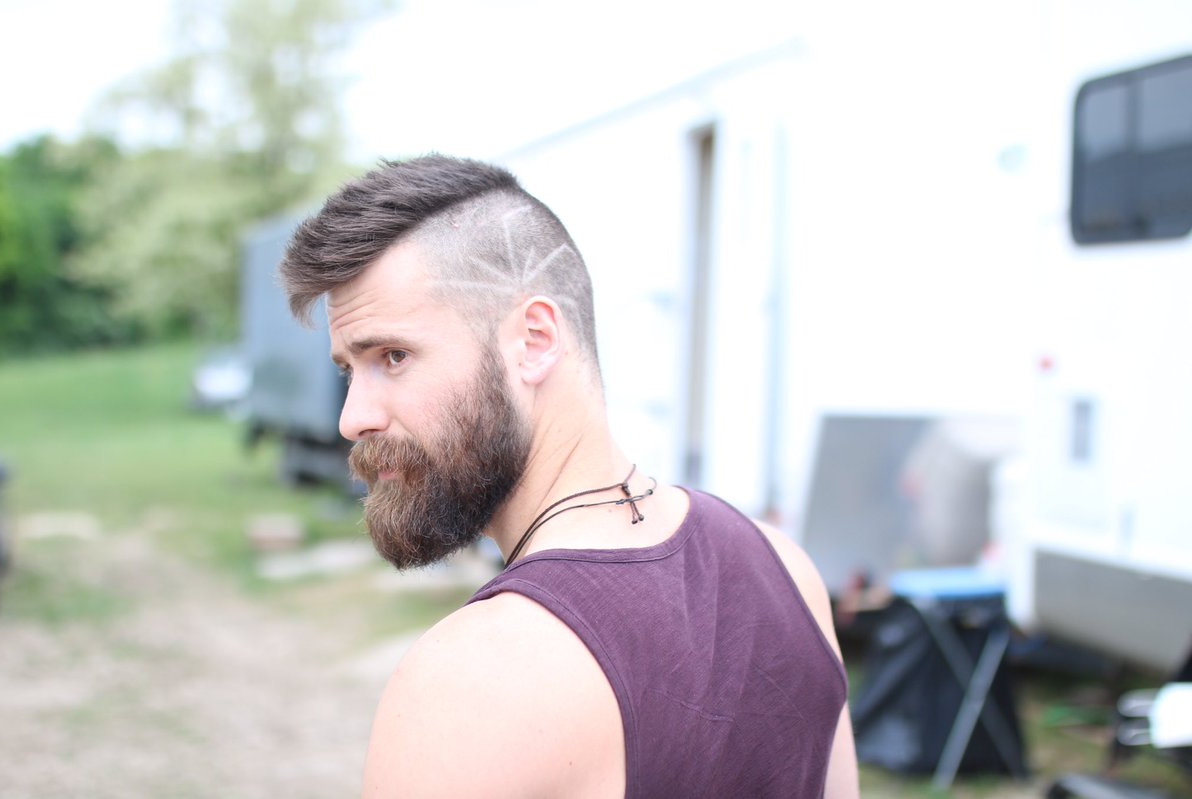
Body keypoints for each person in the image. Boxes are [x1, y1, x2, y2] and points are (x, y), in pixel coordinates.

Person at [279, 154, 859, 798]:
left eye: (393, 356)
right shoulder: (785, 570)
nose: (352, 419)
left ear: (534, 340)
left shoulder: (473, 680)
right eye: (348, 370)